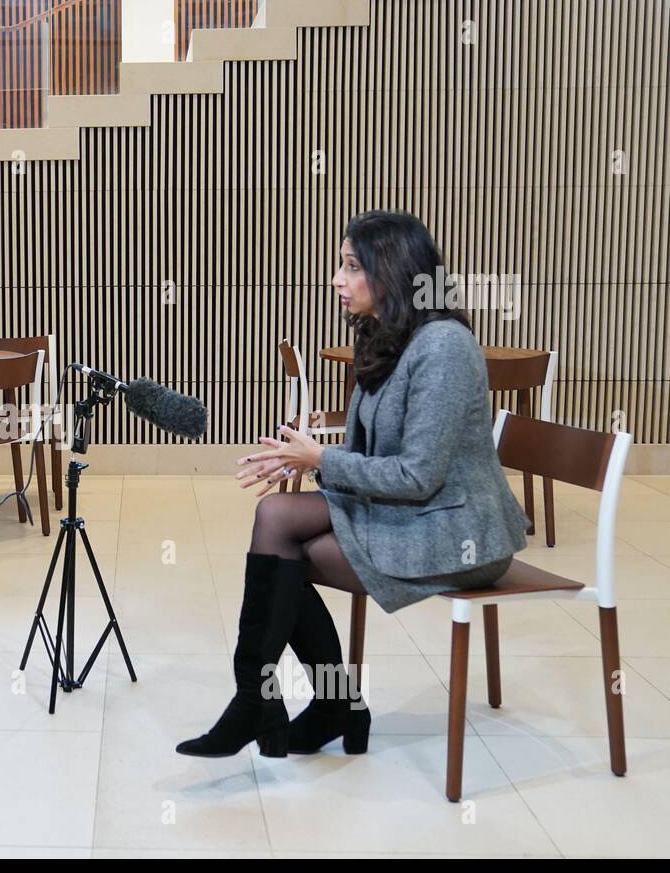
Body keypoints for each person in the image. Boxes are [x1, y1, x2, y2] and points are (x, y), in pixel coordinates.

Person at [177, 210, 530, 760]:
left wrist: (321, 456)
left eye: (350, 267)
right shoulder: (386, 335)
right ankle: (270, 697)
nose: (336, 280)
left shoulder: (444, 347)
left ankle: (303, 703)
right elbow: (372, 455)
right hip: (418, 511)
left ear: (391, 271)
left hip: (460, 532)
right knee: (276, 520)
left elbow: (417, 475)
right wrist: (306, 461)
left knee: (289, 555)